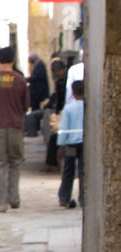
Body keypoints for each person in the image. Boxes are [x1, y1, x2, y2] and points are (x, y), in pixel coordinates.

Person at [0, 46, 30, 212]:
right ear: (13, 60)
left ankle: (1, 202)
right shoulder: (20, 79)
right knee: (15, 162)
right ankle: (14, 198)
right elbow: (26, 105)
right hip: (16, 126)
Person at [56, 80, 84, 208]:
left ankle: (64, 197)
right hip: (84, 144)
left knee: (68, 171)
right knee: (84, 171)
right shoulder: (87, 106)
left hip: (71, 144)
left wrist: (61, 145)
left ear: (72, 92)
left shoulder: (68, 108)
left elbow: (64, 128)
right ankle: (84, 198)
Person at [43, 59, 68, 169]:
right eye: (56, 71)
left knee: (56, 138)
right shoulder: (59, 82)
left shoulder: (66, 81)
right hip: (62, 113)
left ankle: (52, 164)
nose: (58, 73)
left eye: (59, 70)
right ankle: (52, 164)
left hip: (66, 112)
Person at [26, 53, 49, 133]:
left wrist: (27, 79)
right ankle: (35, 126)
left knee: (36, 109)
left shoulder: (40, 65)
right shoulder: (38, 65)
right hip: (37, 91)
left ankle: (36, 127)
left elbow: (37, 77)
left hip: (38, 92)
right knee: (35, 108)